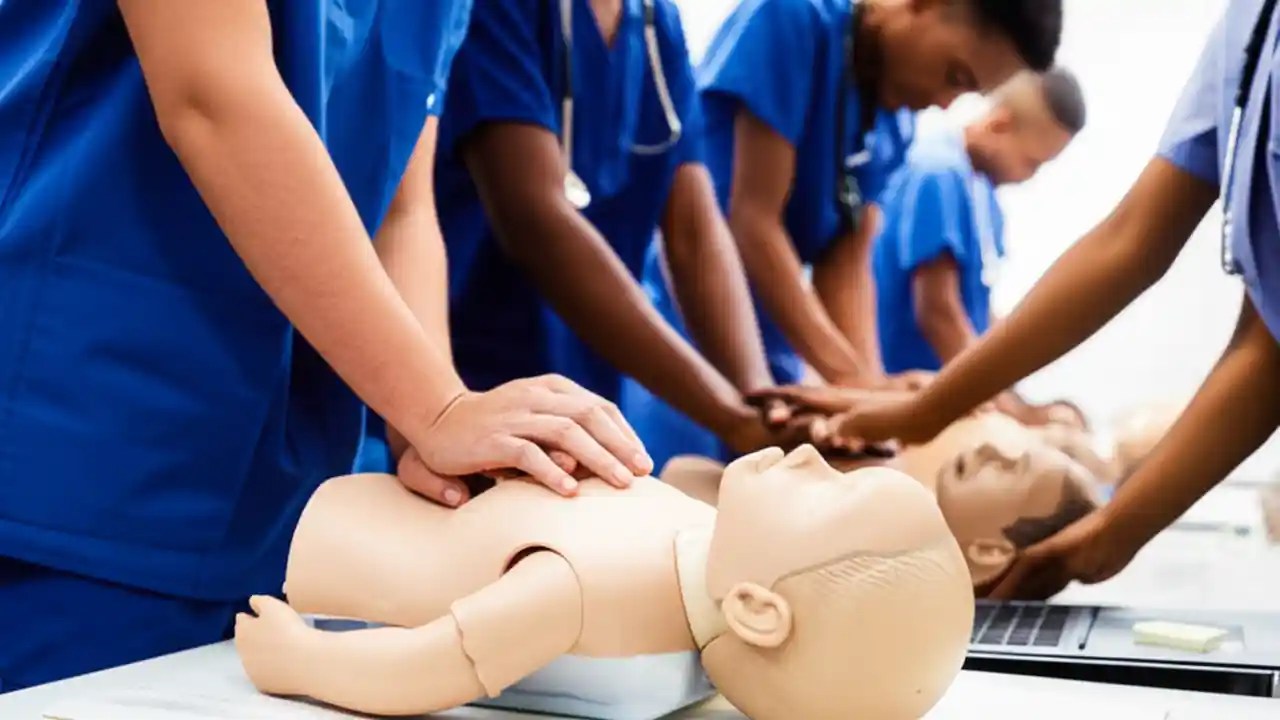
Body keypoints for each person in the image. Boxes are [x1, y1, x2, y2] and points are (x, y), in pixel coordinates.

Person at [0, 0, 648, 691]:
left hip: (281, 499)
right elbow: (212, 94)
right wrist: (437, 407)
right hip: (82, 446)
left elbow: (402, 205)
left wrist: (423, 424)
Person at [825, 0, 1280, 599]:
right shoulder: (1246, 29)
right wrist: (937, 409)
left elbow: (1262, 336)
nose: (1034, 176)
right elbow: (1127, 245)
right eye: (1035, 161)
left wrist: (1108, 527)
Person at [619, 0, 1065, 471]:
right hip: (687, 340)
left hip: (777, 364)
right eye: (954, 76)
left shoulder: (895, 124)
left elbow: (846, 264)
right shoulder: (793, 18)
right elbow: (752, 223)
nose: (944, 104)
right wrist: (858, 383)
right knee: (682, 506)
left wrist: (869, 390)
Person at [369, 0, 797, 480]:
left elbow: (695, 233)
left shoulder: (658, 25)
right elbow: (534, 219)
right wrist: (730, 417)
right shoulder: (501, 11)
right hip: (473, 390)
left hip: (588, 406)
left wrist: (760, 397)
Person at [873, 67, 1085, 424]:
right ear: (999, 125)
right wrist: (1014, 416)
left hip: (953, 402)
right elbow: (939, 313)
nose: (1029, 176)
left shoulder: (983, 195)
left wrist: (1021, 400)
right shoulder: (938, 172)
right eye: (1032, 163)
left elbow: (979, 318)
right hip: (907, 400)